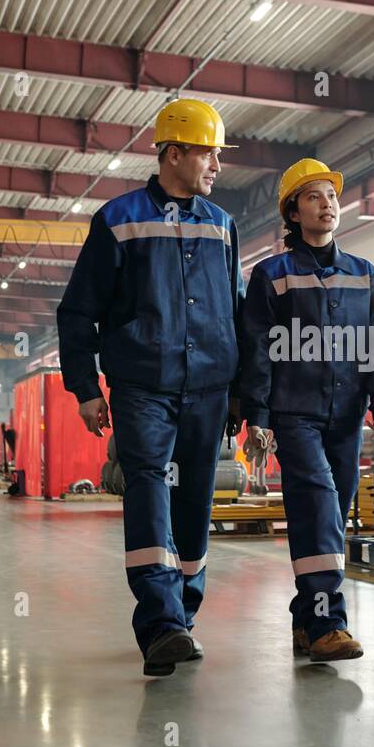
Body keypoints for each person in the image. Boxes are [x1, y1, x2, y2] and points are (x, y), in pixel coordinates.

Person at [57, 98, 244, 677]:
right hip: (143, 387)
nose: (216, 164)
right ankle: (160, 622)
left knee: (194, 501)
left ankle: (182, 618)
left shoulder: (222, 226)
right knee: (149, 490)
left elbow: (236, 314)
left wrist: (243, 394)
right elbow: (77, 311)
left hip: (210, 389)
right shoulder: (118, 219)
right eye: (208, 152)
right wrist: (86, 388)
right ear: (173, 152)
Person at [238, 159, 374, 662]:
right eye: (313, 197)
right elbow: (259, 349)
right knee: (317, 506)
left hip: (347, 414)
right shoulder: (272, 275)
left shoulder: (362, 273)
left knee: (334, 508)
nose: (326, 204)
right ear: (293, 210)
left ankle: (305, 619)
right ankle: (329, 622)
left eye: (331, 196)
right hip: (295, 414)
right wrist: (260, 417)